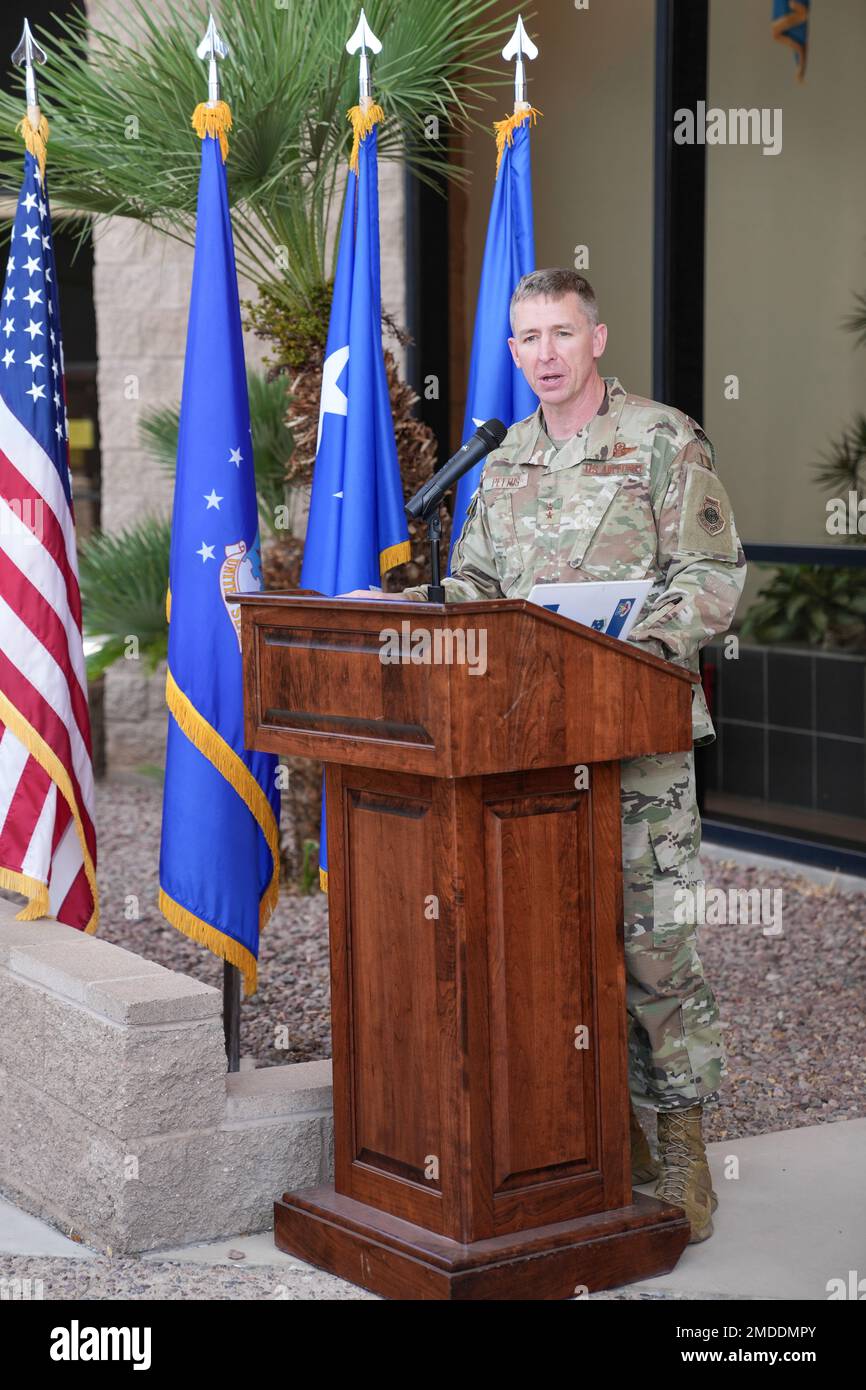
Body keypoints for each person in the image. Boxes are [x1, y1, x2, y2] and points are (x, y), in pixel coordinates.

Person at [344, 267, 746, 1242]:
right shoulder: (505, 455)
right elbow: (477, 582)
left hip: (635, 735)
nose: (543, 354)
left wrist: (632, 652)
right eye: (526, 338)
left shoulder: (660, 437)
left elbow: (712, 571)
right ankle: (607, 1139)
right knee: (555, 948)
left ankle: (683, 1140)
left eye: (560, 333)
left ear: (595, 339)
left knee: (652, 943)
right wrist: (400, 610)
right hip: (526, 752)